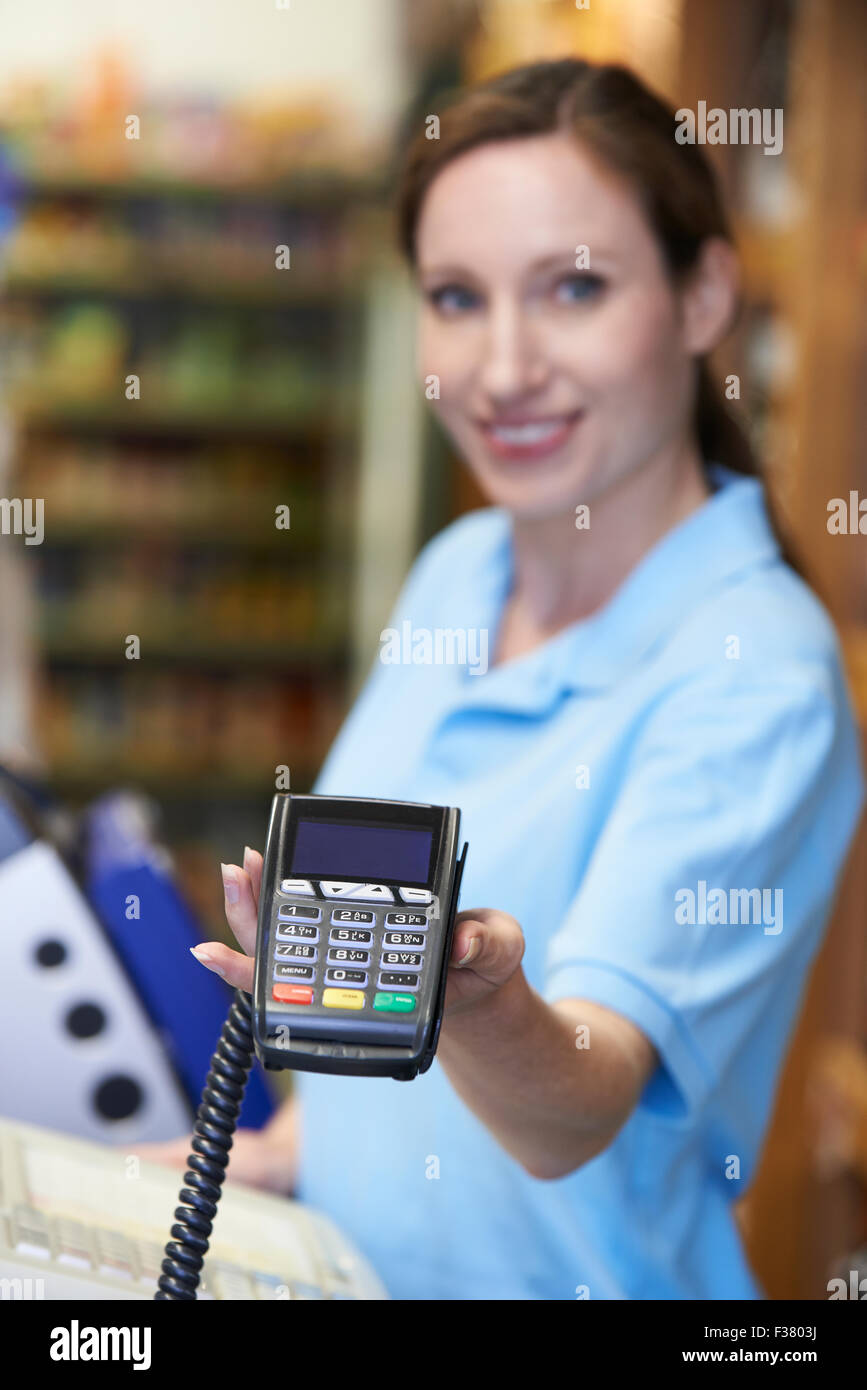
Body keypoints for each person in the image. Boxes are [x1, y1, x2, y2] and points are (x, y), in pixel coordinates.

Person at [149, 59, 864, 1299]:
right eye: (457, 297)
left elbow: (572, 1109)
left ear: (704, 297)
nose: (503, 365)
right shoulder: (459, 569)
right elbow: (379, 1040)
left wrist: (472, 998)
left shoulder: (758, 674)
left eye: (575, 287)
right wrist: (283, 1154)